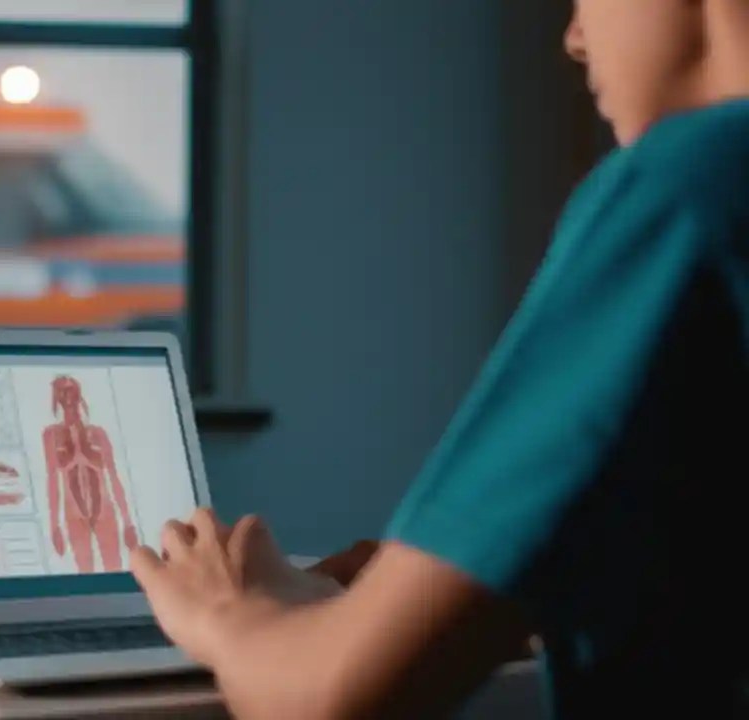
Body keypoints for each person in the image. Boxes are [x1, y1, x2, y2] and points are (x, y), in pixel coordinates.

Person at [129, 1, 749, 718]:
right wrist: (459, 596)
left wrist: (233, 613)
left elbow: (330, 699)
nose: (575, 38)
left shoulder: (690, 185)